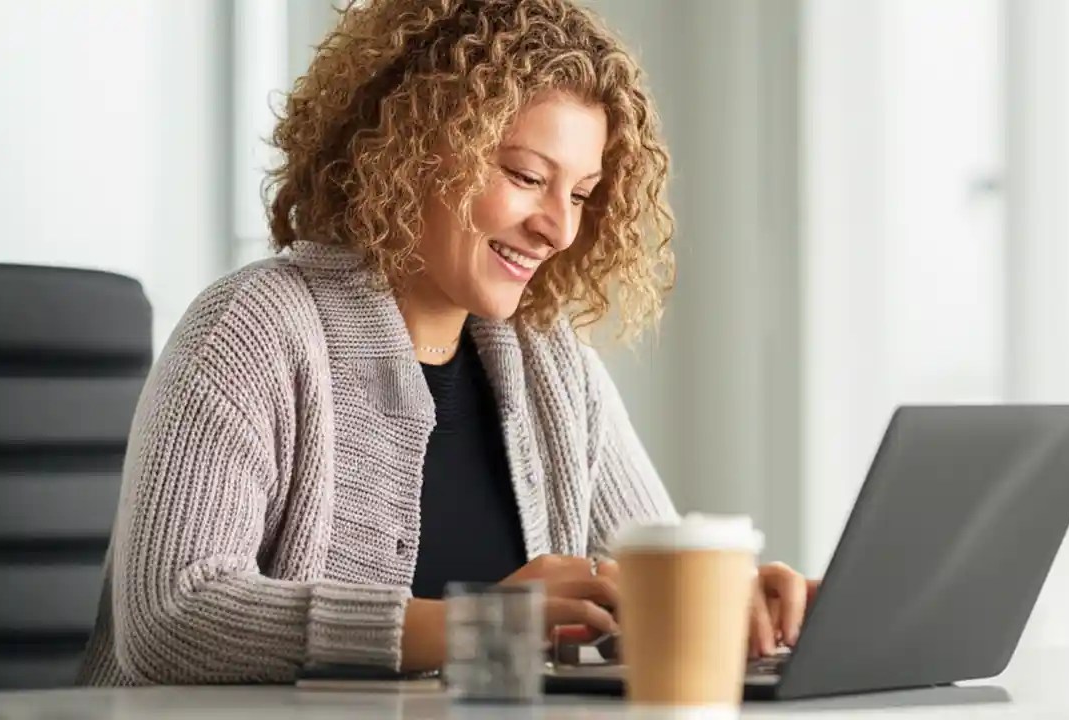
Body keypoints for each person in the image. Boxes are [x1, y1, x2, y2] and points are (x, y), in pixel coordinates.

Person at [77, 0, 815, 686]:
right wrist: (477, 627)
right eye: (527, 177)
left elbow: (625, 600)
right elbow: (170, 620)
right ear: (415, 148)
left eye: (582, 194)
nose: (558, 228)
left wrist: (727, 608)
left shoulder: (549, 364)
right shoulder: (253, 328)